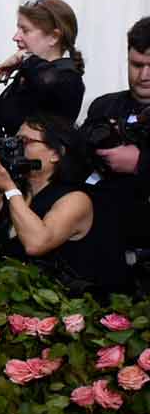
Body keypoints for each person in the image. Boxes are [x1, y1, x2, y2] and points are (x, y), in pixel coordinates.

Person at [0, 115, 126, 296]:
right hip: (9, 300)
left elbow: (36, 243)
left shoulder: (76, 199)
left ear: (56, 153)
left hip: (60, 307)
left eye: (25, 141)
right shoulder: (14, 190)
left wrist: (9, 188)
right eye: (14, 140)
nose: (16, 147)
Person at [79, 17, 150, 283]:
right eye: (137, 65)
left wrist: (140, 162)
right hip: (92, 240)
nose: (144, 76)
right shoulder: (104, 106)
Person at [0, 0, 86, 130]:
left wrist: (25, 57)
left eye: (25, 30)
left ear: (54, 37)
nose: (15, 37)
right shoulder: (29, 72)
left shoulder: (67, 78)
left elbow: (47, 84)